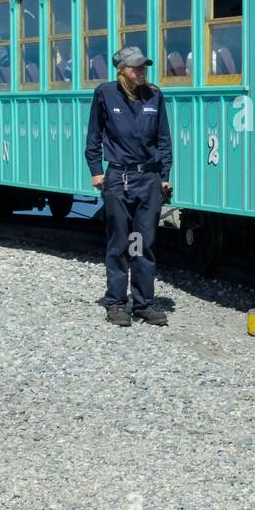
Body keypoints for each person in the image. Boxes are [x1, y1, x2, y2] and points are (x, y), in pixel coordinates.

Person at [84, 46, 173, 327]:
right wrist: (96, 171)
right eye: (136, 67)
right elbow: (93, 137)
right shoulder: (105, 94)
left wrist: (164, 175)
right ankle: (116, 303)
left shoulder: (155, 96)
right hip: (118, 179)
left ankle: (144, 303)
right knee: (120, 243)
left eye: (143, 66)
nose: (141, 71)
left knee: (142, 244)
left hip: (148, 180)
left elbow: (163, 140)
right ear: (122, 70)